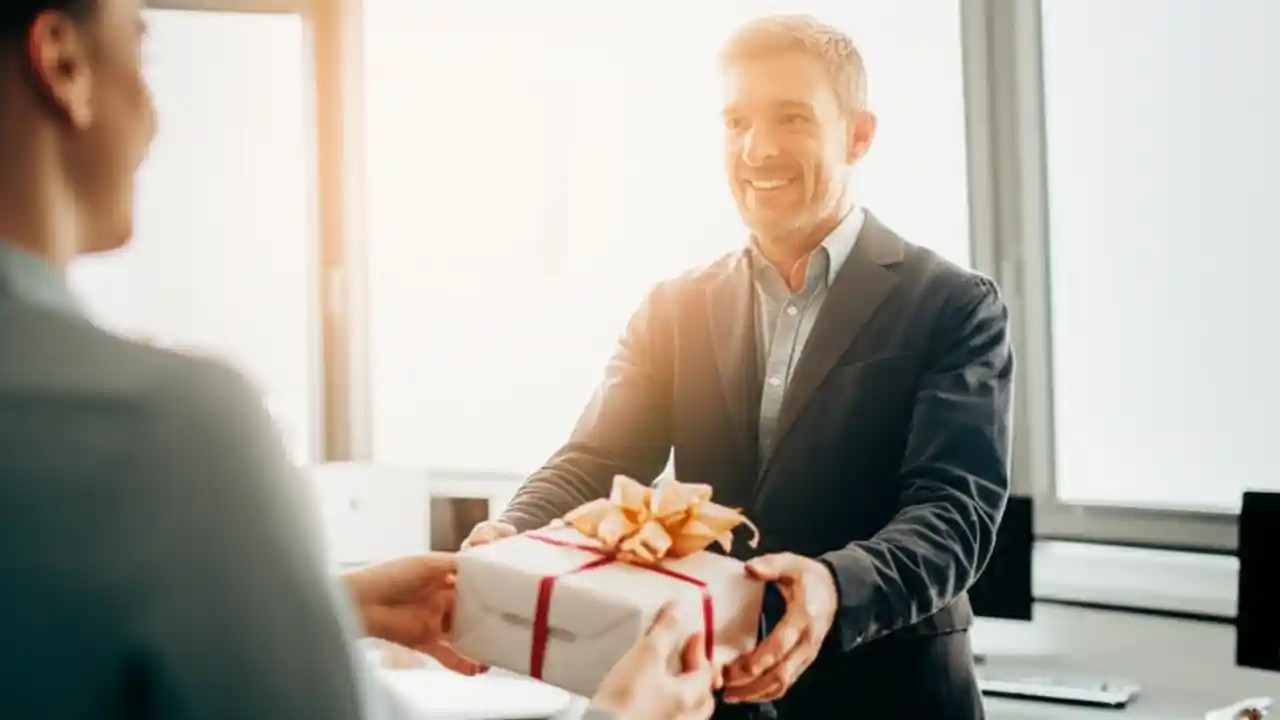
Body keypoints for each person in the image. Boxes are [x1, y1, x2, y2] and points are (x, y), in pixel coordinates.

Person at [0, 1, 715, 718]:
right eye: (143, 53)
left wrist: (332, 607)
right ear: (62, 62)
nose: (153, 116)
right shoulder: (168, 429)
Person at [463, 13, 1014, 720]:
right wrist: (517, 534)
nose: (758, 149)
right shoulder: (673, 307)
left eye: (791, 118)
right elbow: (595, 458)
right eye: (736, 122)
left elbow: (953, 513)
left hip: (890, 694)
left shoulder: (953, 305)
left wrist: (833, 586)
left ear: (858, 134)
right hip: (712, 695)